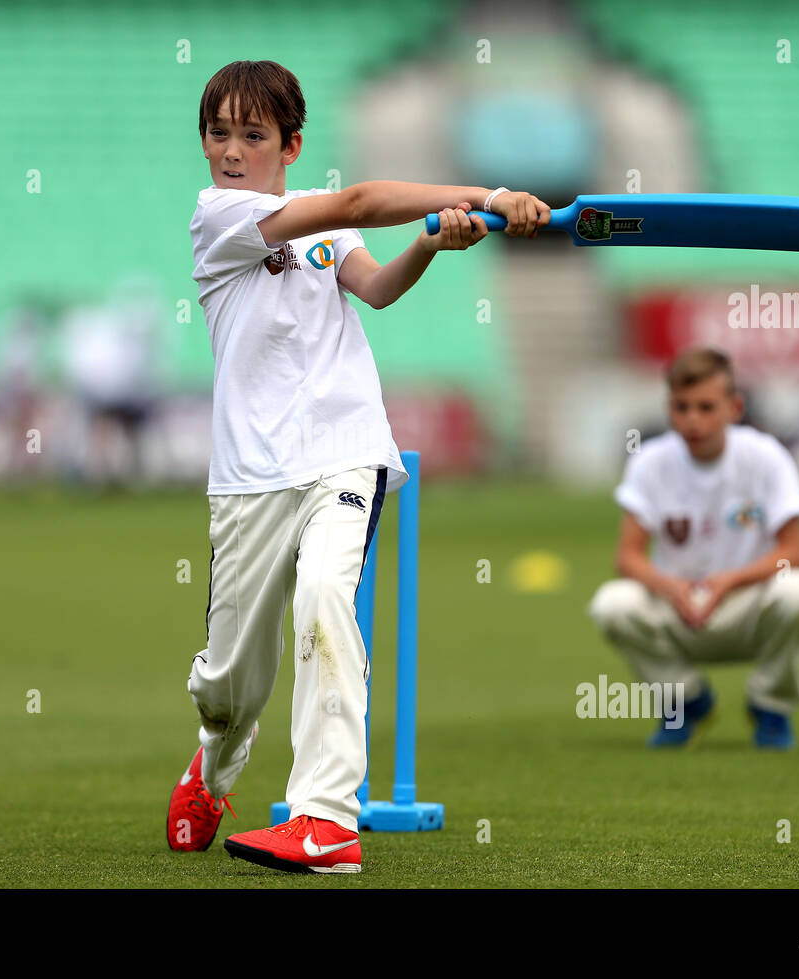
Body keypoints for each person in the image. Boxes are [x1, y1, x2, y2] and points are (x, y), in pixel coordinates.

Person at [167, 59, 550, 873]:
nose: (232, 151)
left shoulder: (324, 230)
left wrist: (432, 241)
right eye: (219, 133)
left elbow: (374, 289)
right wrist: (484, 194)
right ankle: (214, 763)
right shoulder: (219, 216)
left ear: (291, 144)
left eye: (253, 135)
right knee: (229, 684)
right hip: (249, 478)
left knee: (323, 599)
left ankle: (324, 820)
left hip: (344, 452)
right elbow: (355, 200)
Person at [587, 347, 799, 750]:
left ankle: (770, 705)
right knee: (613, 604)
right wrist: (672, 588)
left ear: (734, 408)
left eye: (705, 407)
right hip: (680, 605)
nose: (693, 420)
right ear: (668, 408)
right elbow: (626, 557)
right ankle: (686, 702)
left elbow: (794, 552)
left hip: (745, 603)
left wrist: (728, 582)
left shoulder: (766, 457)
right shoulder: (650, 461)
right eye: (682, 407)